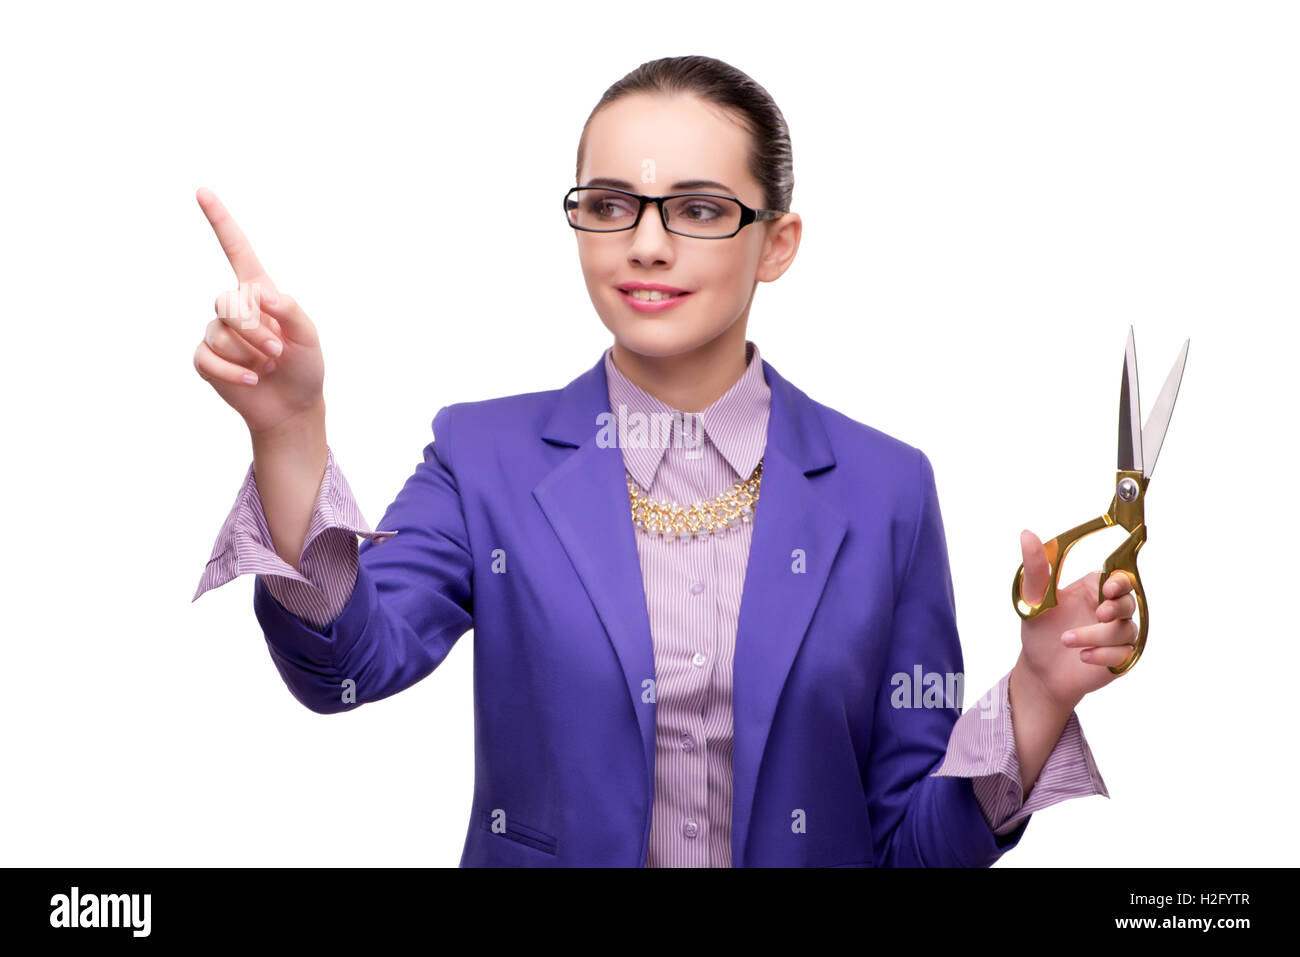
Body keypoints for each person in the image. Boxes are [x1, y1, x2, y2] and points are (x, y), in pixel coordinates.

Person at [192, 55, 1132, 868]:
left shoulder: (886, 489)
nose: (645, 244)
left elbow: (910, 848)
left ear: (777, 244)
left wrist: (1036, 694)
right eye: (610, 205)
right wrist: (290, 431)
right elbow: (343, 667)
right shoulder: (484, 459)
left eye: (696, 209)